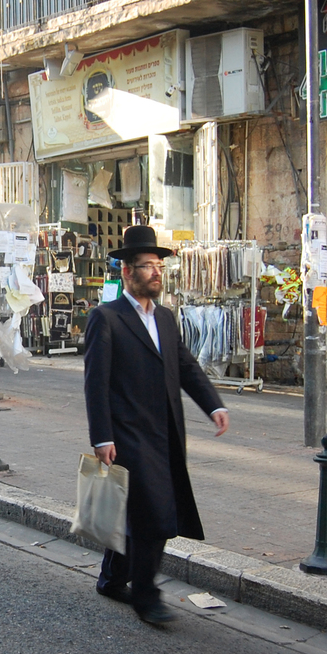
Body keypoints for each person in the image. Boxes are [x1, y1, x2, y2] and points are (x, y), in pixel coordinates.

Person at [84, 225, 230, 626]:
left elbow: (186, 366)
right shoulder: (106, 318)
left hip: (166, 432)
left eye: (159, 266)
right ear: (127, 271)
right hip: (128, 434)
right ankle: (146, 596)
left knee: (136, 511)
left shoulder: (165, 317)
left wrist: (213, 405)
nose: (156, 273)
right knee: (154, 514)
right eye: (147, 266)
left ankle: (113, 578)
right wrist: (102, 436)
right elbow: (95, 383)